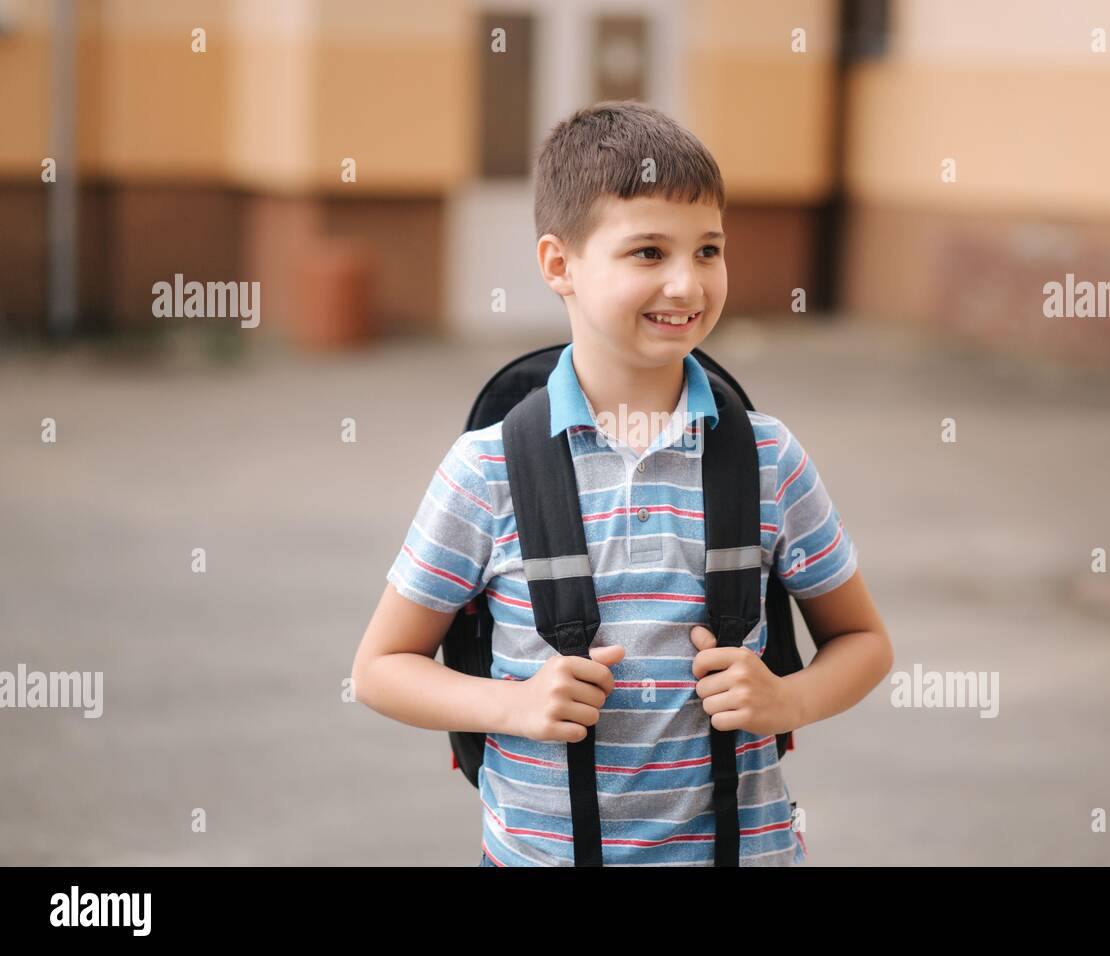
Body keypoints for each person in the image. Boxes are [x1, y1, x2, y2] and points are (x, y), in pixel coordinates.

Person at [352, 101, 893, 866]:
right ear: (558, 265)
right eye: (648, 252)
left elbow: (864, 641)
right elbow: (379, 669)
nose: (687, 283)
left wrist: (788, 698)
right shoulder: (488, 470)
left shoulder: (767, 458)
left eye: (709, 249)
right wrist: (512, 703)